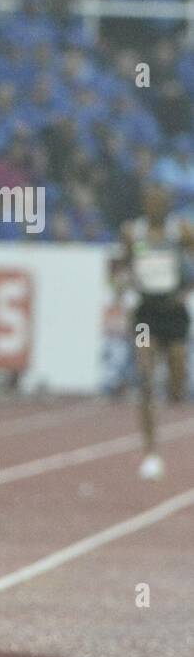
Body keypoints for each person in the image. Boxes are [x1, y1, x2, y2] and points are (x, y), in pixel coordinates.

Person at [120, 182, 193, 480]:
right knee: (145, 374)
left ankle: (174, 390)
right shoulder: (132, 234)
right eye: (150, 201)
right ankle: (150, 450)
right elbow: (121, 266)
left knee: (176, 374)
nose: (155, 207)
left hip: (173, 312)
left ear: (168, 205)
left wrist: (187, 290)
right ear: (144, 204)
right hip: (145, 313)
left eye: (160, 202)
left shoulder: (181, 232)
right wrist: (124, 289)